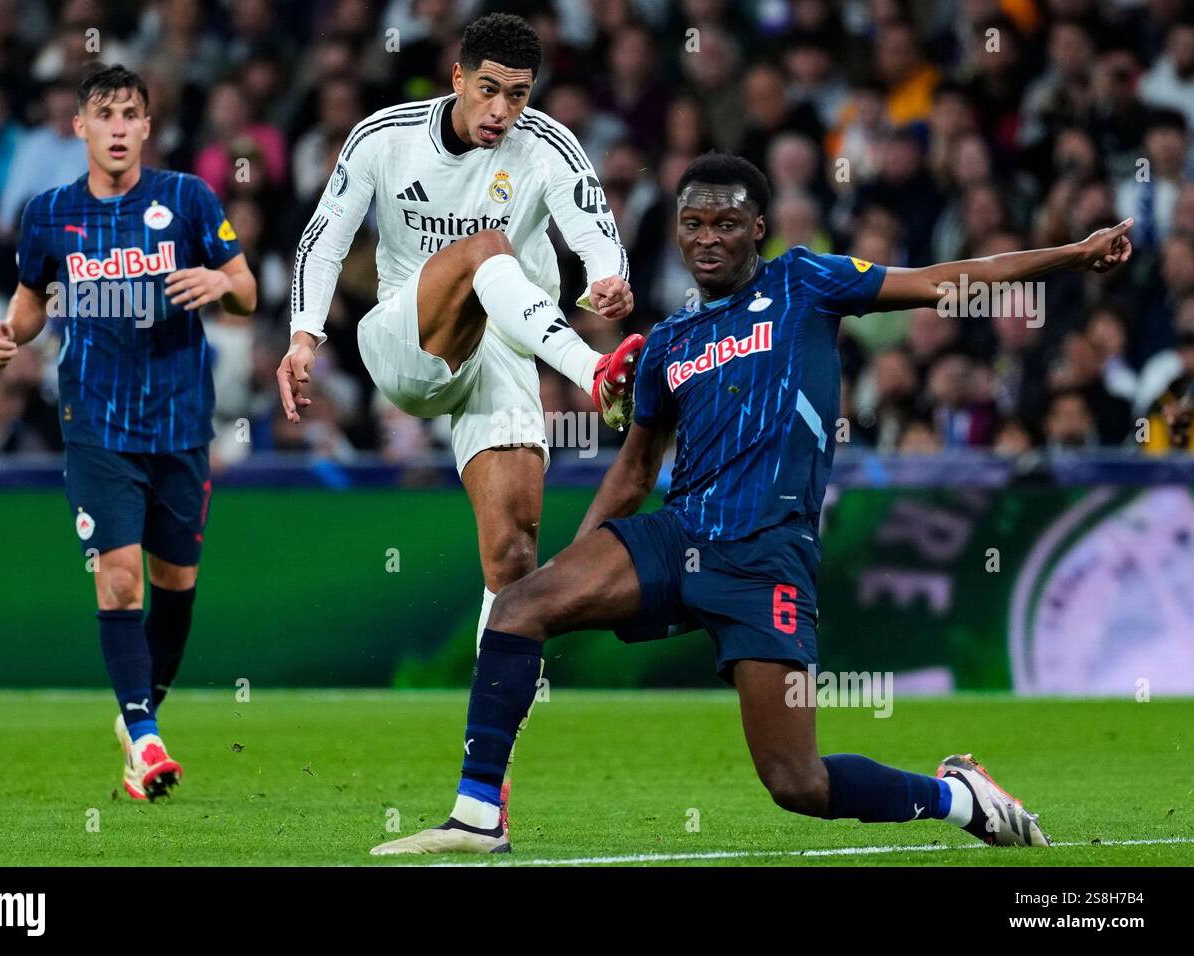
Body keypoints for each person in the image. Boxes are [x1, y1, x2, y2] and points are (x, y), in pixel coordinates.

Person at [371, 152, 1134, 854]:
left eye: (727, 223)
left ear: (758, 230)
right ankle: (479, 815)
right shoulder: (669, 341)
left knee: (797, 784)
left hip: (767, 557)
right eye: (694, 224)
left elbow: (939, 280)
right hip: (680, 536)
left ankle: (957, 798)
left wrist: (1071, 254)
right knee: (518, 606)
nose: (708, 239)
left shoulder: (804, 281)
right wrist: (577, 564)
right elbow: (635, 473)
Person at [278, 13, 642, 831]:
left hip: (507, 353)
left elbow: (591, 226)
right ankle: (599, 377)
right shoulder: (385, 138)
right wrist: (304, 334)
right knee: (484, 249)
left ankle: (484, 794)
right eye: (489, 91)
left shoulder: (548, 144)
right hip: (408, 336)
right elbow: (325, 236)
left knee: (514, 561)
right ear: (456, 77)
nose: (502, 112)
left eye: (517, 95)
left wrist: (610, 279)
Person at [0, 64, 257, 801]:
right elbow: (32, 297)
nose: (117, 127)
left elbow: (249, 291)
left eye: (130, 114)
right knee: (119, 574)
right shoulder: (49, 213)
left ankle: (139, 724)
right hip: (95, 421)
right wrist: (9, 332)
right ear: (80, 126)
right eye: (103, 114)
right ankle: (145, 735)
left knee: (176, 588)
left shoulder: (187, 198)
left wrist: (222, 283)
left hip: (178, 421)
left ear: (145, 126)